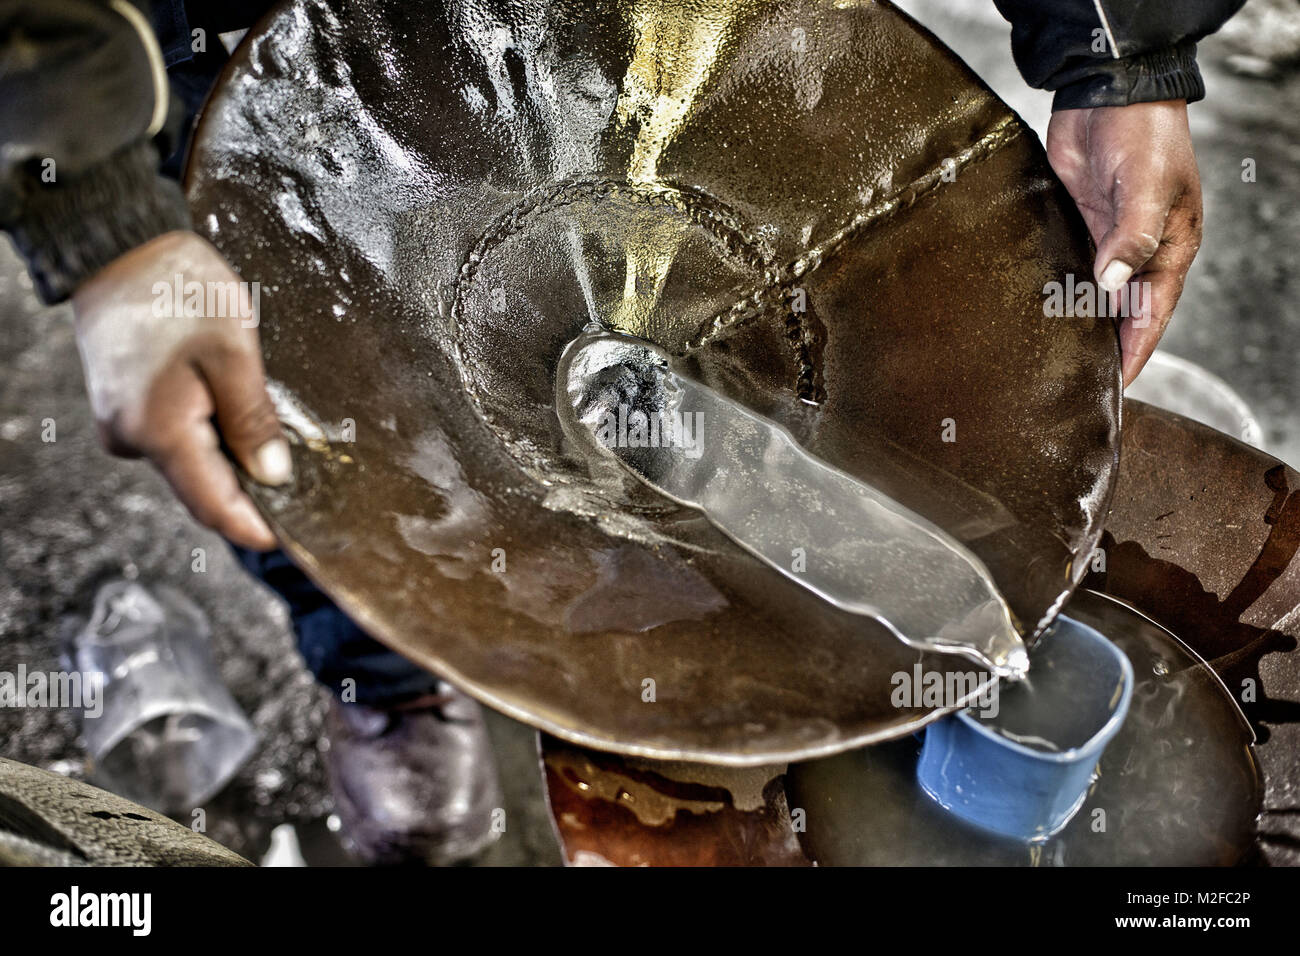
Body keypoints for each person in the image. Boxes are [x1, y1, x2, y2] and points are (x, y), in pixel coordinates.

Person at [0, 0, 1245, 864]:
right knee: (336, 429)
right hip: (293, 73)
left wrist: (1117, 48)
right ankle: (384, 675)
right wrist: (93, 202)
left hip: (679, 63)